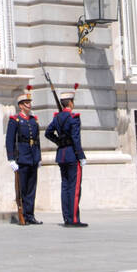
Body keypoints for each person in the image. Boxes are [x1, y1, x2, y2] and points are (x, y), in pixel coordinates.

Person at [45, 89, 86, 227]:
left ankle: (67, 218)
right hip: (72, 156)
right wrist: (81, 155)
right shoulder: (73, 118)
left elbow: (48, 133)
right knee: (74, 189)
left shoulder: (57, 117)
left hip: (61, 155)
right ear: (71, 103)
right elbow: (76, 139)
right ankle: (74, 219)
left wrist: (58, 141)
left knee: (65, 188)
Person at [5, 91, 42, 225]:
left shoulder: (33, 120)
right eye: (26, 103)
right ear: (20, 106)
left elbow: (37, 140)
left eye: (29, 103)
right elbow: (9, 140)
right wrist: (11, 159)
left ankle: (30, 215)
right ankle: (22, 215)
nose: (29, 105)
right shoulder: (15, 120)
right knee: (22, 189)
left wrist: (39, 157)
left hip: (32, 158)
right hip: (21, 158)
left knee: (32, 188)